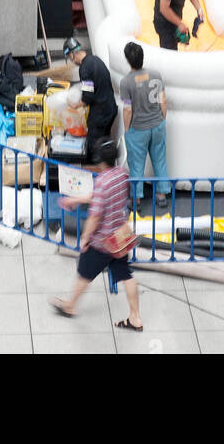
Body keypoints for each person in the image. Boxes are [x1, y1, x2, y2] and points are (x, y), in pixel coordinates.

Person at [51, 138, 143, 331]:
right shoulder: (122, 175)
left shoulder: (102, 181)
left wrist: (85, 238)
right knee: (126, 275)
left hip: (102, 242)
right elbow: (104, 196)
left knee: (84, 273)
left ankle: (70, 306)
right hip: (120, 238)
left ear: (100, 160)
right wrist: (76, 200)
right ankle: (135, 317)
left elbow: (95, 215)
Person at [120, 41, 171, 210]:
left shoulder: (126, 82)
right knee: (160, 160)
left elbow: (128, 110)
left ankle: (136, 200)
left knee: (136, 165)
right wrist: (161, 119)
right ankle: (162, 195)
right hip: (157, 125)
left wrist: (127, 130)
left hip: (138, 129)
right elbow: (163, 101)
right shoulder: (156, 75)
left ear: (127, 60)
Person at [63, 37, 117, 151]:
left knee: (95, 148)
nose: (71, 60)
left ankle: (96, 167)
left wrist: (75, 105)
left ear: (72, 55)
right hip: (110, 108)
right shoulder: (95, 59)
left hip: (101, 113)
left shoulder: (84, 68)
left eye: (69, 58)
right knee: (104, 145)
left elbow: (88, 96)